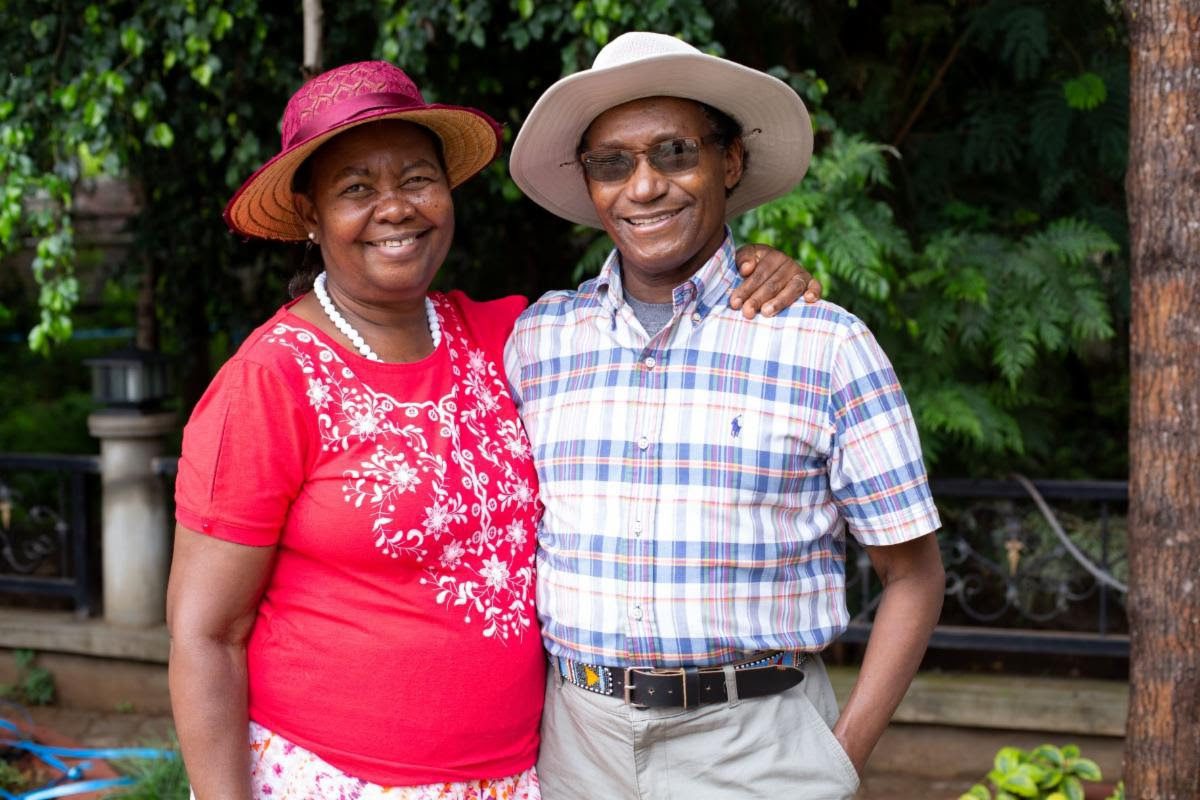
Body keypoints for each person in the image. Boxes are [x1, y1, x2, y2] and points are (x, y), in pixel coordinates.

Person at [166, 60, 819, 800]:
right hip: (330, 777)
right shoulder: (271, 380)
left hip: (516, 779)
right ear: (311, 219)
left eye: (417, 178)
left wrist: (753, 269)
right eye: (355, 189)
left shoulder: (510, 338)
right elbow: (204, 636)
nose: (395, 208)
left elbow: (648, 311)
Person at [505, 32, 946, 800]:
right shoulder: (538, 341)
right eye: (613, 163)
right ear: (590, 183)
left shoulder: (824, 345)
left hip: (760, 749)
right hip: (576, 751)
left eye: (674, 152)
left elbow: (913, 576)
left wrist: (840, 758)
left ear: (729, 162)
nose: (643, 187)